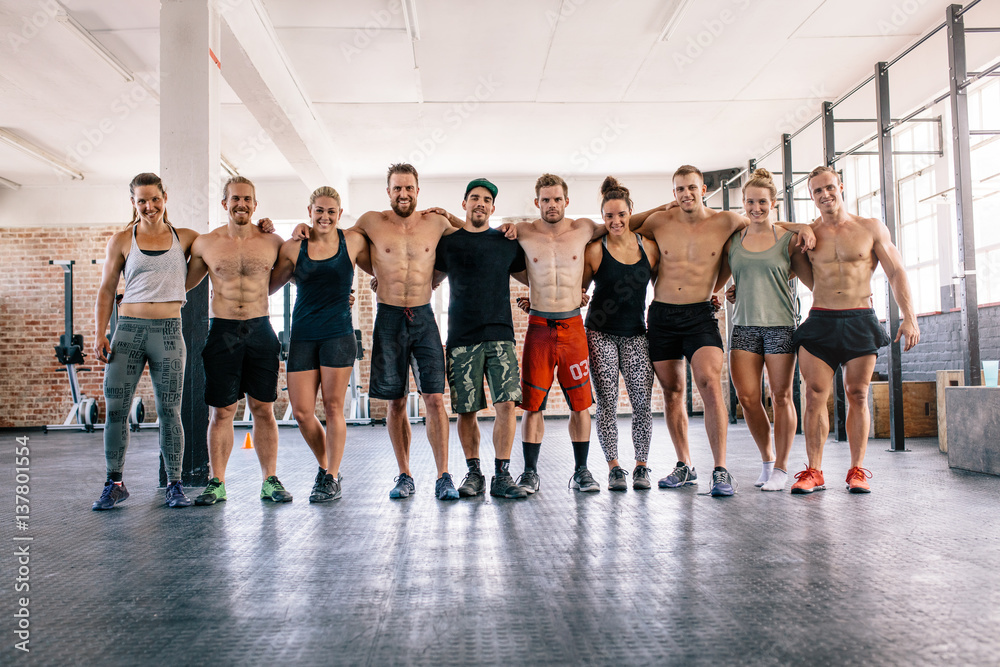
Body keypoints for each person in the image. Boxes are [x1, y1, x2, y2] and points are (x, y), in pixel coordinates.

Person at [630, 165, 814, 497]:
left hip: (700, 315)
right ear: (674, 193)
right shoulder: (659, 221)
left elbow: (764, 223)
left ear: (704, 190)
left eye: (692, 188)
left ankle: (720, 469)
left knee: (709, 383)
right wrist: (661, 207)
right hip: (662, 316)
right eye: (679, 189)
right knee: (672, 393)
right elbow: (620, 224)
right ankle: (684, 464)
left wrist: (801, 225)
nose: (686, 194)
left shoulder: (726, 221)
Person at [789, 166, 919, 494]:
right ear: (811, 195)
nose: (825, 195)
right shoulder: (807, 235)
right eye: (817, 191)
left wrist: (909, 317)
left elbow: (896, 271)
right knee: (814, 395)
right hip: (820, 320)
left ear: (841, 187)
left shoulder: (870, 228)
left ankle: (857, 470)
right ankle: (814, 471)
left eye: (829, 187)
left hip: (860, 318)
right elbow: (796, 271)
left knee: (858, 394)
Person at [352, 163, 464, 501]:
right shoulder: (371, 221)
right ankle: (404, 474)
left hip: (424, 315)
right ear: (388, 191)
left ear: (418, 190)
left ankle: (443, 475)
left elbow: (472, 242)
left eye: (409, 188)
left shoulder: (436, 222)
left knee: (434, 397)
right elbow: (340, 244)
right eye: (397, 188)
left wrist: (451, 216)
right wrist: (378, 272)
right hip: (387, 316)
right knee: (396, 402)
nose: (403, 194)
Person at [91, 173, 198, 510]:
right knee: (117, 410)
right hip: (128, 332)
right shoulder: (122, 240)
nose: (149, 207)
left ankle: (175, 484)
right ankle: (114, 483)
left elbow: (224, 245)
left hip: (168, 331)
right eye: (142, 201)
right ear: (133, 203)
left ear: (165, 196)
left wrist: (266, 226)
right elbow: (107, 289)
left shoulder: (188, 238)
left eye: (155, 199)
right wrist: (99, 333)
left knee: (170, 411)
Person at [186, 176, 292, 505]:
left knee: (263, 408)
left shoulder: (273, 242)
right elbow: (180, 286)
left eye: (247, 199)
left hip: (260, 329)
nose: (241, 204)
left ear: (255, 204)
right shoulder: (206, 243)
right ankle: (216, 482)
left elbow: (303, 270)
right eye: (235, 199)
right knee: (221, 412)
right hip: (223, 330)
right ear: (224, 204)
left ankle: (270, 480)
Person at [507, 173, 607, 495]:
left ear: (567, 200)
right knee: (532, 405)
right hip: (538, 328)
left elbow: (625, 224)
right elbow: (478, 236)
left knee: (580, 405)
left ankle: (582, 471)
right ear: (537, 203)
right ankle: (530, 474)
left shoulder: (584, 228)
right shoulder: (522, 231)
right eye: (546, 200)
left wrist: (672, 207)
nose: (552, 205)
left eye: (557, 199)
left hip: (573, 327)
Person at [431, 178, 529, 500]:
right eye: (474, 198)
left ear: (492, 207)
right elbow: (425, 276)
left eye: (486, 199)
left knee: (506, 405)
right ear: (465, 204)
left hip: (500, 334)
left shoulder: (505, 242)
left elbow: (535, 274)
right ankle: (474, 473)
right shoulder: (449, 243)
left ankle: (502, 474)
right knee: (466, 411)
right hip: (461, 336)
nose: (480, 203)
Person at [270, 186, 368, 503]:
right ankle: (327, 466)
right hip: (302, 334)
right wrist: (268, 232)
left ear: (339, 214)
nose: (325, 216)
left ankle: (331, 476)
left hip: (338, 334)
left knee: (334, 407)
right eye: (319, 210)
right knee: (301, 411)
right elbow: (269, 285)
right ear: (310, 211)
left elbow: (383, 264)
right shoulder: (293, 247)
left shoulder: (352, 241)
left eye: (331, 211)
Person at [720, 168, 812, 492]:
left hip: (780, 326)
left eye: (762, 201)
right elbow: (725, 280)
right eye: (749, 202)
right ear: (743, 204)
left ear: (773, 203)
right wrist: (731, 289)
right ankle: (767, 460)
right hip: (743, 325)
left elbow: (812, 281)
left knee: (781, 396)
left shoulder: (787, 240)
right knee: (747, 398)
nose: (755, 208)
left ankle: (784, 469)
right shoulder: (735, 240)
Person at [582, 176, 660, 492]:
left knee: (642, 402)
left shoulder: (649, 249)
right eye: (609, 216)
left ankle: (641, 465)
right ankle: (615, 468)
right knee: (607, 403)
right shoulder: (594, 250)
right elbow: (579, 290)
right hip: (600, 333)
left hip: (636, 334)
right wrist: (578, 297)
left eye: (621, 214)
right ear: (603, 217)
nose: (615, 221)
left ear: (630, 212)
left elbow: (664, 287)